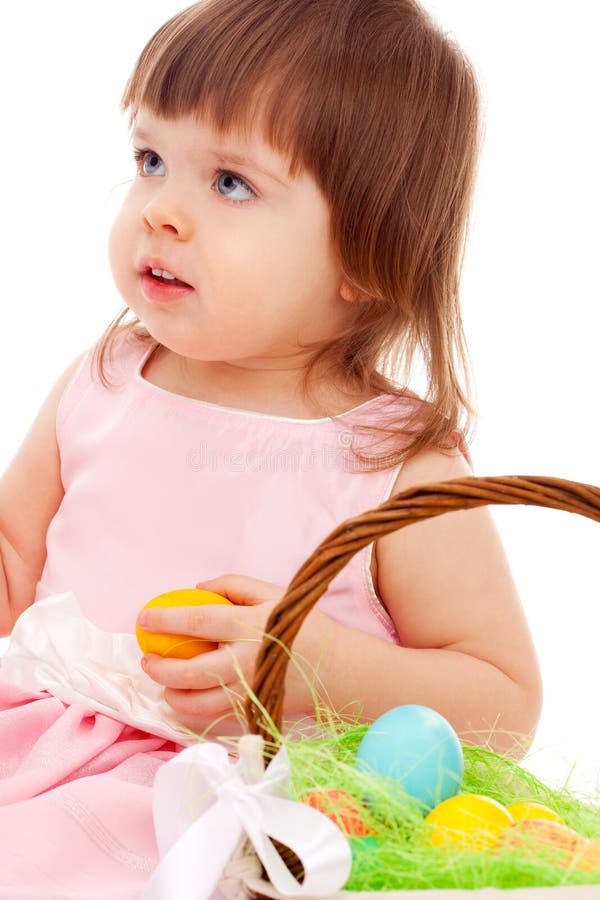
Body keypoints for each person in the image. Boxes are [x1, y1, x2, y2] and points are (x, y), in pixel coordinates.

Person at [0, 0, 542, 895]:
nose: (160, 211)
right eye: (150, 160)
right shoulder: (104, 380)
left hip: (224, 805)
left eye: (230, 184)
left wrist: (314, 668)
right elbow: (16, 556)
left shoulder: (395, 464)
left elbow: (505, 702)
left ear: (368, 254)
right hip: (45, 747)